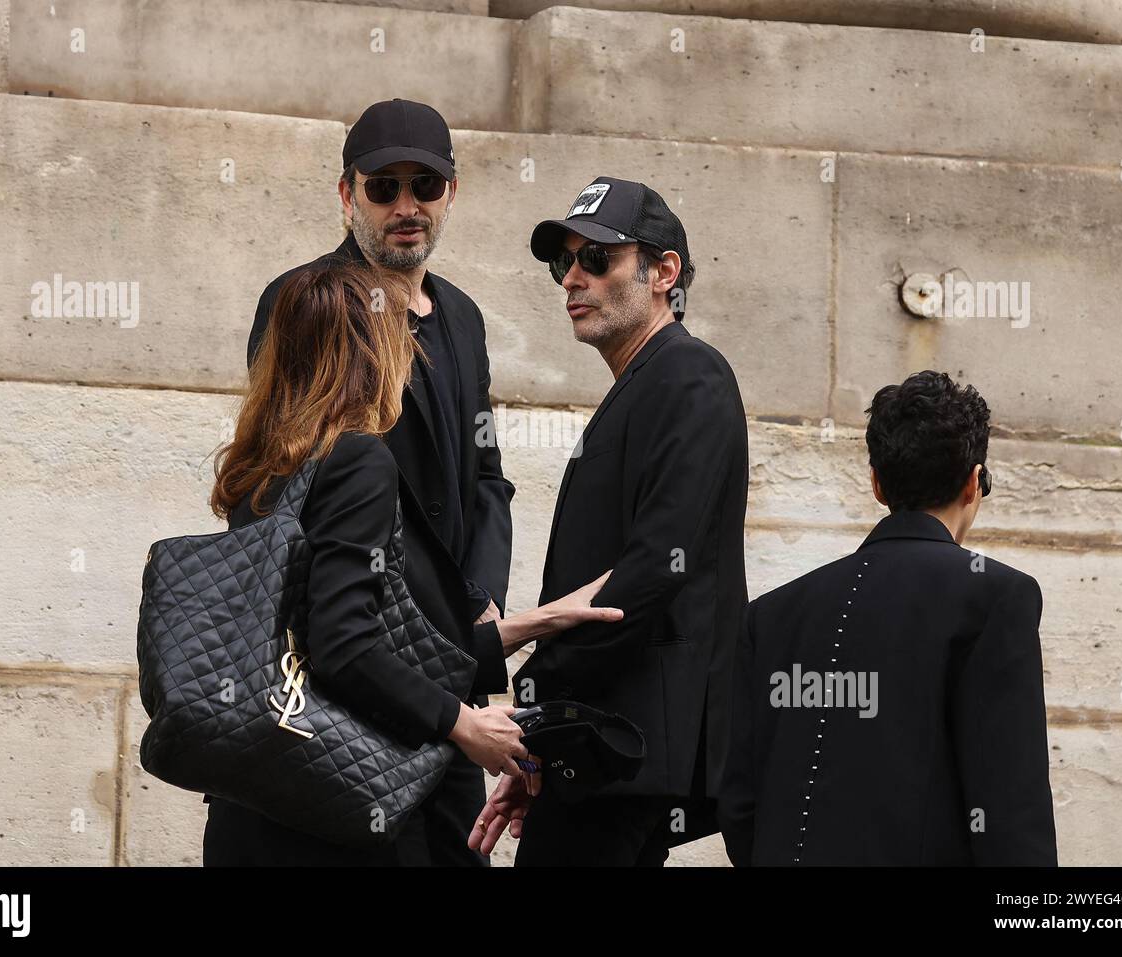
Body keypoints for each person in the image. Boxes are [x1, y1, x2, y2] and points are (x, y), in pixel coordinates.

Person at [204, 263, 620, 865]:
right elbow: (345, 644)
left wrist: (536, 622)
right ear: (375, 354)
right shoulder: (358, 463)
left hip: (262, 801)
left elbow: (338, 635)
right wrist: (464, 725)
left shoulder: (263, 471)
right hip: (345, 807)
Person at [245, 99, 518, 865]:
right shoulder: (308, 303)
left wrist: (482, 594)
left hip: (447, 671)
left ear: (451, 194)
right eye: (384, 186)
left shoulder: (462, 316)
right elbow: (278, 487)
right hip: (351, 668)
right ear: (347, 194)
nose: (406, 206)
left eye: (425, 186)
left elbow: (487, 475)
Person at [470, 176, 749, 866]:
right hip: (599, 754)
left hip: (624, 758)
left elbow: (654, 570)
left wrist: (535, 707)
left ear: (665, 273)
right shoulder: (648, 381)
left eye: (597, 258)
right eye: (563, 261)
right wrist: (548, 746)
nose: (572, 277)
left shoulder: (689, 376)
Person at [718, 370, 1058, 866]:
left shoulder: (770, 615)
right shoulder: (997, 597)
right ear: (973, 483)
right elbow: (1009, 807)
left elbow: (741, 805)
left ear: (877, 483)